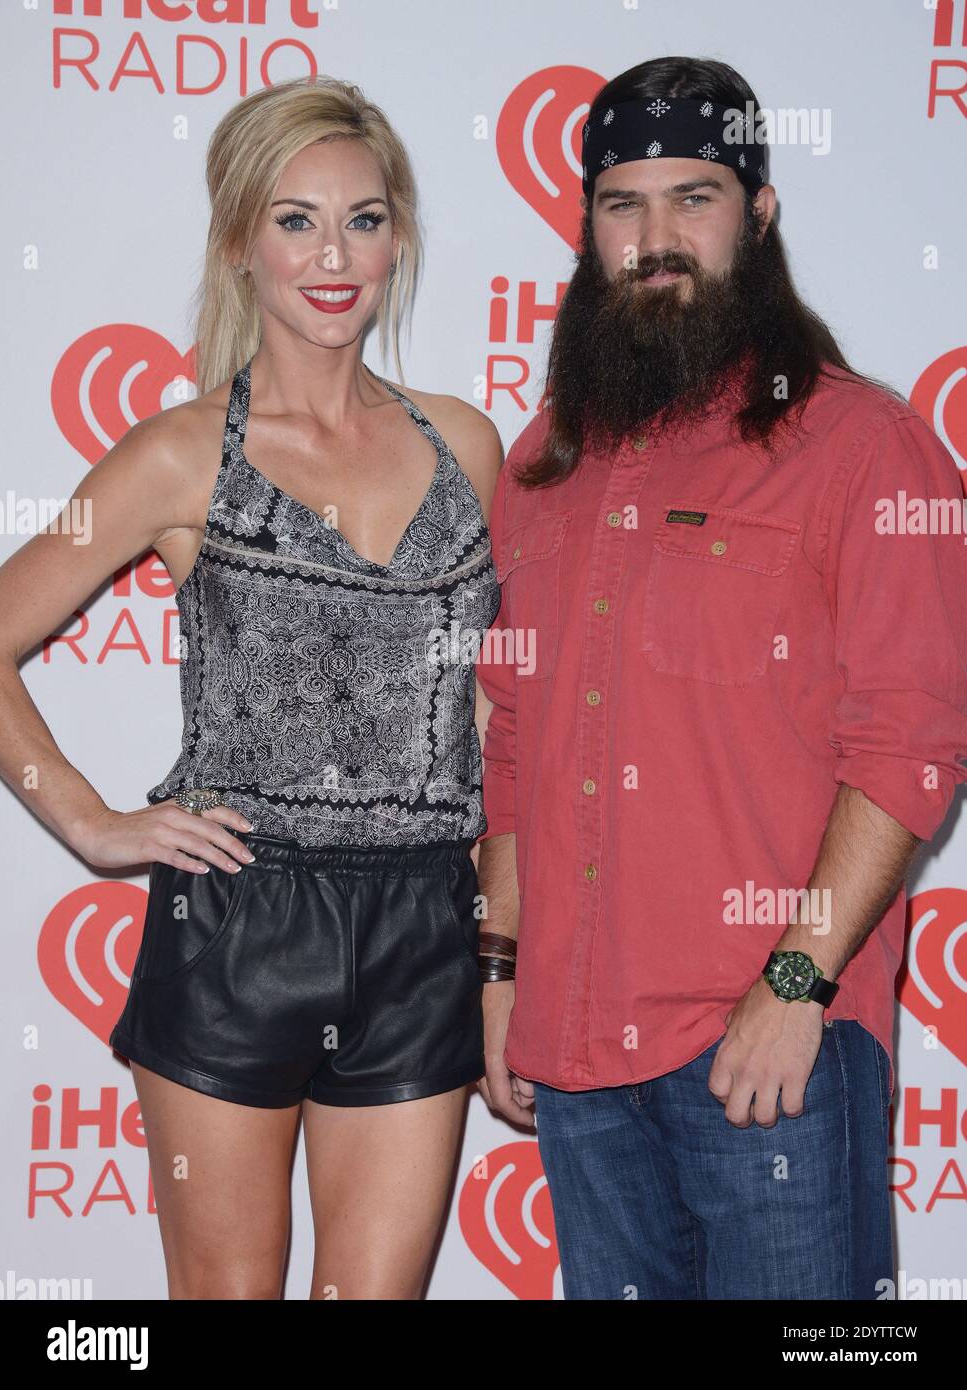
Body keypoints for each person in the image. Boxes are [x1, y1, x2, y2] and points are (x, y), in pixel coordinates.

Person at [0, 75, 503, 1299]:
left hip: (424, 925)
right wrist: (90, 821)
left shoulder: (467, 445)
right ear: (239, 243)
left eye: (363, 220)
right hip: (236, 927)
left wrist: (500, 940)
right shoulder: (181, 452)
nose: (333, 256)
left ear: (398, 240)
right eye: (295, 221)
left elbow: (498, 711)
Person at [474, 55, 967, 1300]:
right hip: (579, 1063)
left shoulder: (860, 444)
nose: (656, 238)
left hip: (771, 1048)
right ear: (588, 227)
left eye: (693, 198)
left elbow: (910, 741)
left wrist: (795, 983)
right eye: (622, 204)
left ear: (758, 213)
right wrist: (502, 973)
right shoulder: (541, 464)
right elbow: (512, 744)